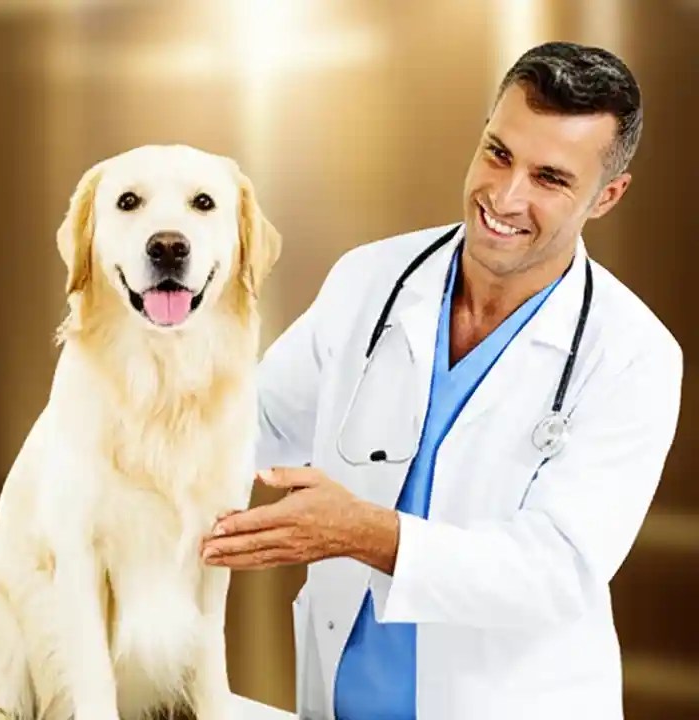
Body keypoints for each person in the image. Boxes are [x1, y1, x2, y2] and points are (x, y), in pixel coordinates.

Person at [199, 41, 683, 719]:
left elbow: (559, 569)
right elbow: (253, 424)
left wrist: (364, 533)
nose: (506, 196)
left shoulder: (632, 354)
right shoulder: (371, 279)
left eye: (549, 178)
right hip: (338, 698)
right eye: (498, 153)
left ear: (607, 196)